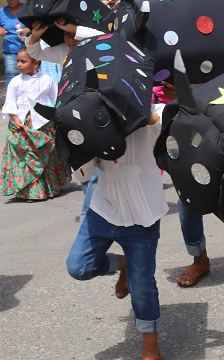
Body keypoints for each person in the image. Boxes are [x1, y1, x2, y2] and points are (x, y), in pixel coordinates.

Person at [66, 102, 167, 360]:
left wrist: (146, 118)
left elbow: (171, 127)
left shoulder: (154, 113)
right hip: (103, 208)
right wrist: (80, 139)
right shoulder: (94, 118)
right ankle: (123, 264)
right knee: (79, 267)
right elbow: (83, 174)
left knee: (142, 284)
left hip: (141, 215)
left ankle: (150, 344)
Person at [26, 18, 104, 220]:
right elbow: (35, 53)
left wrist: (73, 28)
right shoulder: (61, 51)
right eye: (66, 35)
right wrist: (36, 34)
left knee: (97, 167)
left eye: (73, 35)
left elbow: (101, 35)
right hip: (70, 112)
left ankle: (90, 214)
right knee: (81, 164)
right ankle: (94, 208)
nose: (70, 40)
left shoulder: (96, 46)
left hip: (95, 111)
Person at [0, 48, 71, 201]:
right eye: (18, 61)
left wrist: (59, 117)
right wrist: (15, 117)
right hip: (22, 125)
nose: (19, 64)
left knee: (45, 156)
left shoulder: (47, 80)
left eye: (23, 61)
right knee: (25, 158)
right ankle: (28, 190)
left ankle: (47, 188)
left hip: (43, 123)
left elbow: (56, 100)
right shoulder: (15, 82)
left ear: (35, 63)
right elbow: (10, 102)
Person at [0, 0, 29, 87]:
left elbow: (37, 24)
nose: (11, 0)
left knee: (28, 74)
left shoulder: (27, 8)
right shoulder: (2, 11)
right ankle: (11, 99)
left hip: (28, 48)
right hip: (10, 48)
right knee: (11, 73)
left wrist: (28, 29)